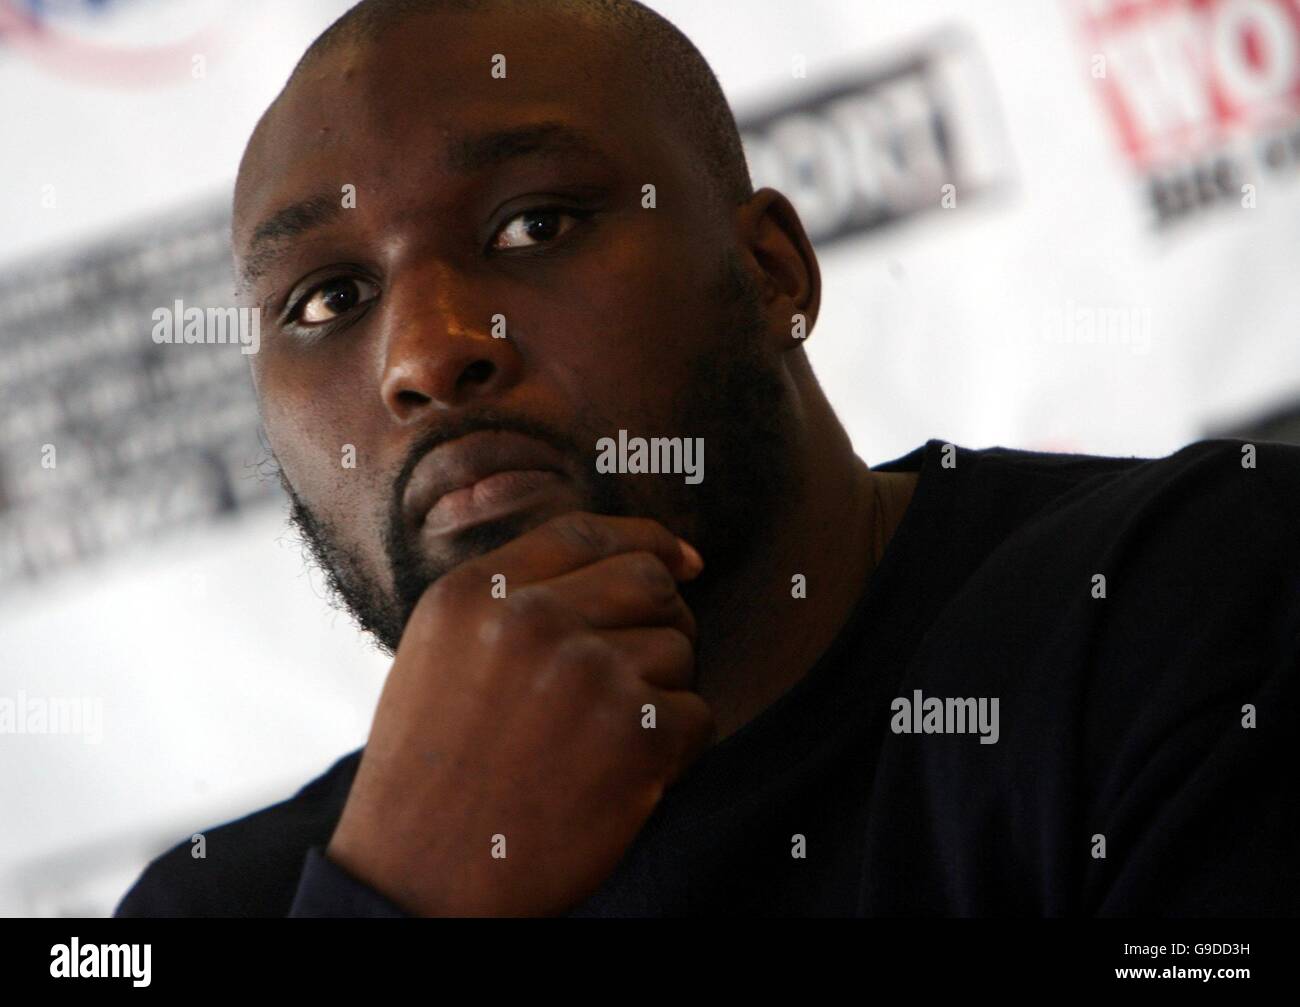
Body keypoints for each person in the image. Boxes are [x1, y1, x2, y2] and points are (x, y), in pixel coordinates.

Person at [116, 0, 1300, 917]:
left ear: (773, 270)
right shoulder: (216, 905)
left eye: (533, 224)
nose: (424, 354)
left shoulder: (1194, 599)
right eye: (327, 298)